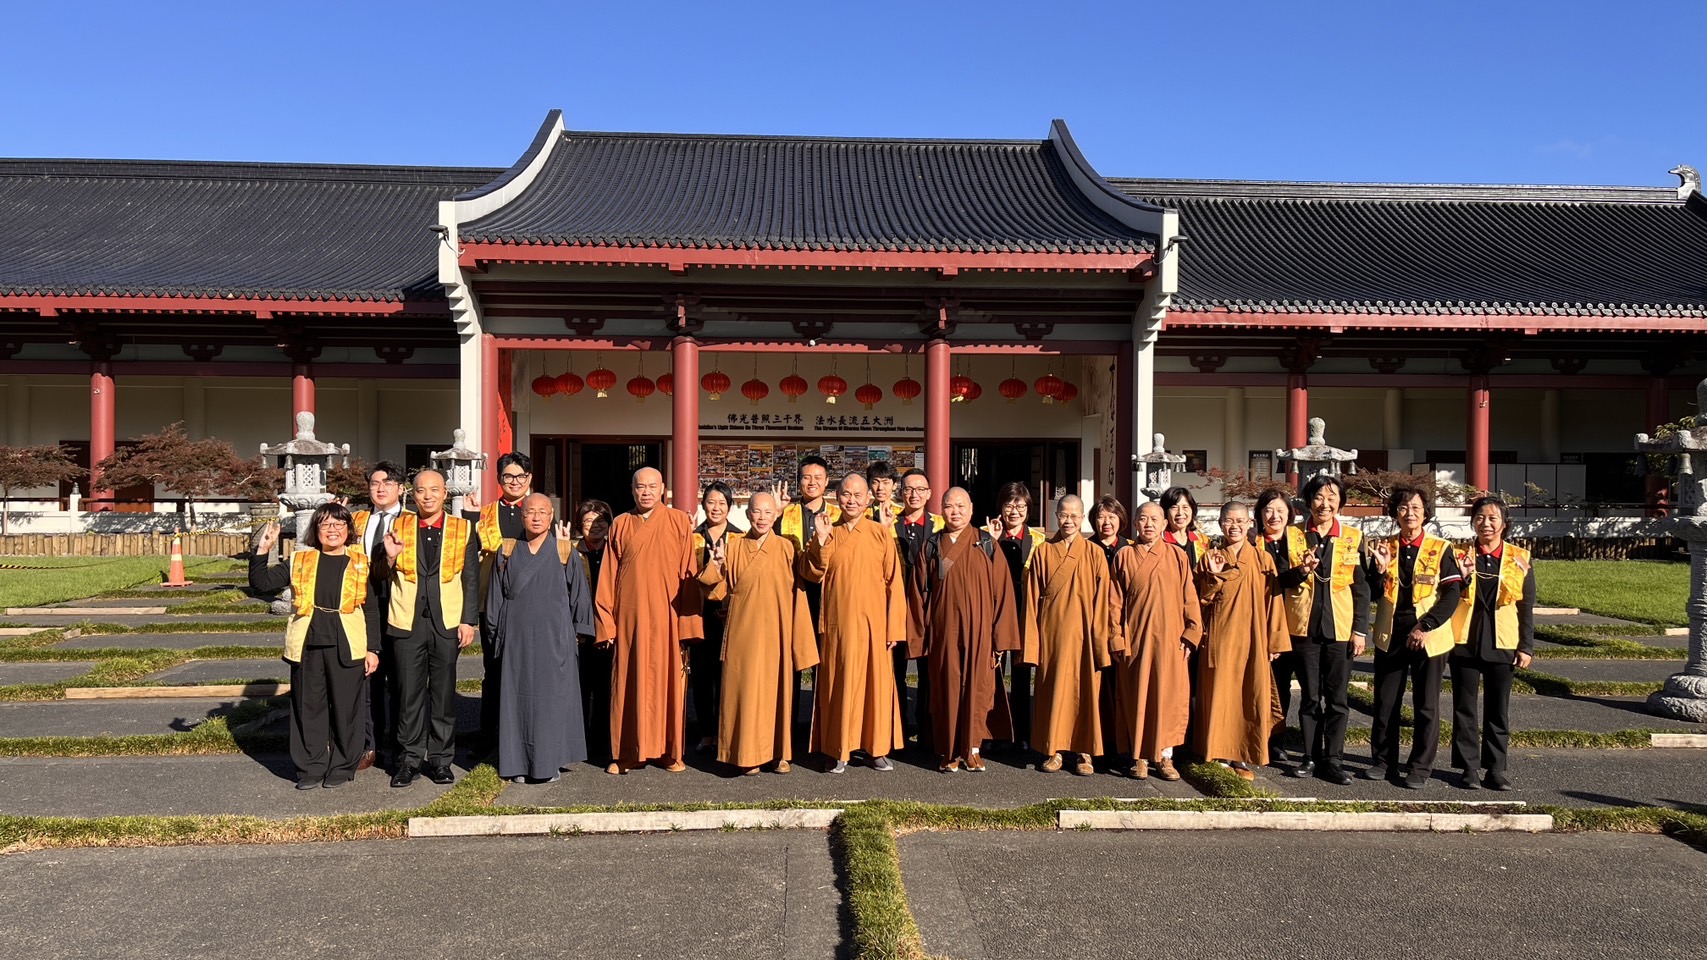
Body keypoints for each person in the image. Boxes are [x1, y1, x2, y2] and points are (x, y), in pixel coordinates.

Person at [249, 504, 380, 789]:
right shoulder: (300, 560)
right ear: (316, 530)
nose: (332, 530)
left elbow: (370, 608)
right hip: (308, 642)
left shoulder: (359, 561)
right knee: (309, 707)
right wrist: (263, 550)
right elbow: (261, 583)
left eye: (338, 525)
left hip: (348, 642)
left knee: (347, 709)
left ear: (348, 530)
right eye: (326, 525)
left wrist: (373, 649)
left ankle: (344, 764)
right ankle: (311, 766)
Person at [697, 490, 818, 775]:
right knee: (745, 693)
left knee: (779, 692)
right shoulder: (735, 546)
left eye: (767, 512)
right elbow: (716, 592)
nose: (762, 517)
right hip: (743, 631)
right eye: (756, 511)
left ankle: (780, 753)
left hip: (777, 630)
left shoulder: (788, 547)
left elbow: (802, 589)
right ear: (748, 514)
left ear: (776, 515)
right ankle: (746, 754)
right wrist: (715, 564)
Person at [594, 466, 704, 774]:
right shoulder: (620, 524)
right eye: (640, 487)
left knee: (667, 684)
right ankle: (627, 753)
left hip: (667, 617)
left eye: (652, 486)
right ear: (632, 490)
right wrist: (607, 622)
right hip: (630, 619)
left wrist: (687, 625)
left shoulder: (678, 522)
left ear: (663, 489)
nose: (646, 492)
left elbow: (688, 573)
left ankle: (669, 752)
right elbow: (608, 576)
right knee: (628, 684)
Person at [906, 487, 1020, 772]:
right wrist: (921, 638)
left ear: (971, 509)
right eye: (948, 506)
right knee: (946, 689)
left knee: (979, 690)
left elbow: (1002, 593)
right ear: (941, 510)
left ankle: (973, 749)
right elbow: (918, 593)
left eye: (960, 506)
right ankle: (948, 750)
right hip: (944, 632)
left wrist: (999, 639)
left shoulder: (986, 544)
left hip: (981, 632)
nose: (955, 511)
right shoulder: (931, 546)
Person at [486, 494, 595, 783]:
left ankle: (550, 762)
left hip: (554, 637)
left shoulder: (564, 551)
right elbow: (495, 596)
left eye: (542, 512)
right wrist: (496, 632)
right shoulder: (507, 549)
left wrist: (578, 633)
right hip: (517, 637)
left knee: (552, 699)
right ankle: (516, 764)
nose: (536, 517)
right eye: (530, 512)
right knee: (515, 699)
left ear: (551, 517)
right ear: (521, 516)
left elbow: (580, 596)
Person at [381, 468, 479, 788]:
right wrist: (390, 558)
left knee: (443, 694)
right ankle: (408, 759)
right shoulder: (398, 524)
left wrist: (468, 620)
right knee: (408, 694)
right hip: (407, 620)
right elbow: (380, 572)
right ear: (412, 494)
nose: (427, 496)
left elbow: (471, 578)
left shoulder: (462, 528)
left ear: (445, 493)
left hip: (446, 620)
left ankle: (440, 759)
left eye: (434, 490)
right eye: (421, 491)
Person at [801, 472, 905, 773]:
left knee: (876, 688)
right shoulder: (828, 532)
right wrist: (820, 540)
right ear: (837, 497)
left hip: (874, 626)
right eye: (846, 494)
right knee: (840, 686)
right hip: (839, 625)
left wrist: (894, 627)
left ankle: (876, 749)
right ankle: (838, 749)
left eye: (859, 495)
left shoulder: (880, 533)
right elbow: (812, 573)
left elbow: (893, 583)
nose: (852, 500)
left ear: (869, 498)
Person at [1366, 485, 1463, 789]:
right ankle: (1383, 761)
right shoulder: (1385, 546)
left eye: (1417, 508)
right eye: (1404, 508)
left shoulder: (1441, 548)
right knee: (1385, 702)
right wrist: (1379, 571)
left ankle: (1420, 766)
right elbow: (1369, 593)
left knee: (1426, 704)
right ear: (1395, 513)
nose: (1410, 514)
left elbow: (1452, 594)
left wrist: (1425, 626)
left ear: (1426, 513)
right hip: (1391, 632)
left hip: (1429, 634)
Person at [1023, 493, 1120, 775]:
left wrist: (1102, 641)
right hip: (1051, 634)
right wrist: (1032, 644)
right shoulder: (1042, 552)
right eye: (1064, 514)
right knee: (1052, 692)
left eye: (1074, 515)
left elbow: (1104, 602)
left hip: (1086, 636)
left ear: (1082, 518)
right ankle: (1053, 748)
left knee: (1085, 694)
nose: (1068, 520)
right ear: (1056, 516)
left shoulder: (1094, 554)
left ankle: (1084, 752)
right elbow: (1031, 601)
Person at [1192, 502, 1290, 781]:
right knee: (1219, 696)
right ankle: (1216, 752)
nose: (1234, 526)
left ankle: (1241, 754)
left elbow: (1274, 602)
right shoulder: (1208, 557)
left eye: (1240, 521)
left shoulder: (1262, 560)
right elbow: (1198, 600)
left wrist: (1275, 642)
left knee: (1248, 695)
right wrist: (1212, 576)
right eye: (1228, 521)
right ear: (1220, 524)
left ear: (1249, 524)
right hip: (1219, 637)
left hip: (1252, 638)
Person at [1282, 474, 1369, 786]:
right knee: (1309, 697)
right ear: (1309, 501)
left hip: (1340, 630)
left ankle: (1332, 759)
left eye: (1332, 498)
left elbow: (1361, 588)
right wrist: (1301, 570)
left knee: (1337, 698)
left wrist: (1360, 630)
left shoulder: (1352, 537)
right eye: (1319, 496)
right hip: (1304, 628)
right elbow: (1281, 580)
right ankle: (1308, 755)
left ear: (1340, 504)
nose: (1325, 503)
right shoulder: (1292, 536)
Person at [1109, 501, 1201, 780]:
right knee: (1137, 697)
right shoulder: (1123, 556)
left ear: (1164, 525)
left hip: (1171, 640)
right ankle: (1138, 756)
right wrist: (1116, 637)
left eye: (1154, 519)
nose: (1148, 524)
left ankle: (1165, 756)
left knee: (1168, 698)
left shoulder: (1177, 556)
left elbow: (1190, 598)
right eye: (1142, 519)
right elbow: (1114, 602)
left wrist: (1191, 634)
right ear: (1134, 524)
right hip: (1136, 640)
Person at [1448, 496, 1535, 791]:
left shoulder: (1519, 557)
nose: (1486, 523)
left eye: (1493, 518)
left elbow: (1526, 606)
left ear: (1505, 524)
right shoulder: (1459, 554)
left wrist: (1526, 645)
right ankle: (1469, 767)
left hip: (1503, 641)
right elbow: (1446, 595)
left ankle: (1496, 768)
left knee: (1498, 709)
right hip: (1464, 640)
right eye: (1480, 517)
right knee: (1465, 707)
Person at [461, 451, 535, 754]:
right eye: (508, 476)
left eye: (520, 476)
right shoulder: (487, 513)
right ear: (499, 479)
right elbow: (469, 554)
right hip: (492, 600)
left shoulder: (538, 510)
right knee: (493, 669)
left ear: (529, 479)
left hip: (530, 602)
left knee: (527, 669)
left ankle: (524, 734)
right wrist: (468, 518)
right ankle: (490, 735)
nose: (514, 482)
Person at [777, 455, 841, 728]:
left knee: (824, 666)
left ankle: (822, 729)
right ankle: (786, 731)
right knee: (790, 662)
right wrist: (776, 515)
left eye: (818, 478)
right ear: (798, 481)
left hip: (828, 596)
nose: (812, 482)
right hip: (794, 594)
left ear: (827, 482)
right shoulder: (785, 512)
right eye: (806, 477)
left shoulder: (839, 515)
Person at [350, 460, 405, 770]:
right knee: (368, 677)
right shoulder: (356, 520)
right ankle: (369, 744)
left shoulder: (410, 520)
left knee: (401, 679)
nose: (380, 488)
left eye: (387, 483)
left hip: (399, 605)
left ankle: (401, 746)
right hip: (363, 606)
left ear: (399, 488)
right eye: (374, 483)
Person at [988, 482, 1046, 751]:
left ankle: (1023, 733)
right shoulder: (986, 536)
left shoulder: (1038, 541)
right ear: (1000, 507)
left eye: (1020, 506)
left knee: (1022, 676)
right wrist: (994, 541)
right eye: (1009, 504)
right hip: (995, 612)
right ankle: (993, 731)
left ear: (1028, 509)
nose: (1014, 511)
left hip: (1024, 612)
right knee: (993, 674)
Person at [890, 467, 944, 746]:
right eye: (909, 489)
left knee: (928, 669)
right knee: (895, 668)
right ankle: (896, 728)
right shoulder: (888, 523)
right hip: (896, 604)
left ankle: (927, 728)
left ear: (929, 494)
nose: (914, 494)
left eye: (920, 489)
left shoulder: (939, 525)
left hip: (929, 606)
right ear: (901, 493)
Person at [691, 481, 745, 754]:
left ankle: (726, 731)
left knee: (727, 676)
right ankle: (706, 732)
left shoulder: (739, 538)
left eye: (722, 503)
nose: (716, 508)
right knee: (701, 676)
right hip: (700, 614)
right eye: (711, 502)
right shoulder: (692, 537)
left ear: (730, 507)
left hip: (730, 615)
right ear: (703, 505)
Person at [1255, 486, 1303, 765]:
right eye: (1268, 510)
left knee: (1285, 687)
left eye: (1280, 511)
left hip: (1298, 623)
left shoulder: (1300, 542)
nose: (1274, 516)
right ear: (1260, 515)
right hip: (1263, 624)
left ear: (1289, 514)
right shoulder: (1253, 542)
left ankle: (1279, 739)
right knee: (1266, 684)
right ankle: (1260, 738)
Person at [573, 500, 616, 766]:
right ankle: (581, 740)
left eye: (601, 521)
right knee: (580, 686)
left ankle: (603, 739)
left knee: (605, 687)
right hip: (580, 628)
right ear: (580, 526)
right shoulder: (570, 551)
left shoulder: (615, 552)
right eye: (589, 521)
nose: (595, 526)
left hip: (608, 627)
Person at [1159, 487, 1209, 567]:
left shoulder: (1203, 541)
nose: (1180, 513)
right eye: (1174, 507)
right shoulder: (1158, 540)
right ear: (1165, 511)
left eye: (1185, 507)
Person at [1090, 495, 1133, 569]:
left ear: (1120, 519)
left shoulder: (1131, 547)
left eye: (1111, 517)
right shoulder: (1086, 547)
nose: (1107, 522)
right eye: (1101, 517)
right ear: (1094, 520)